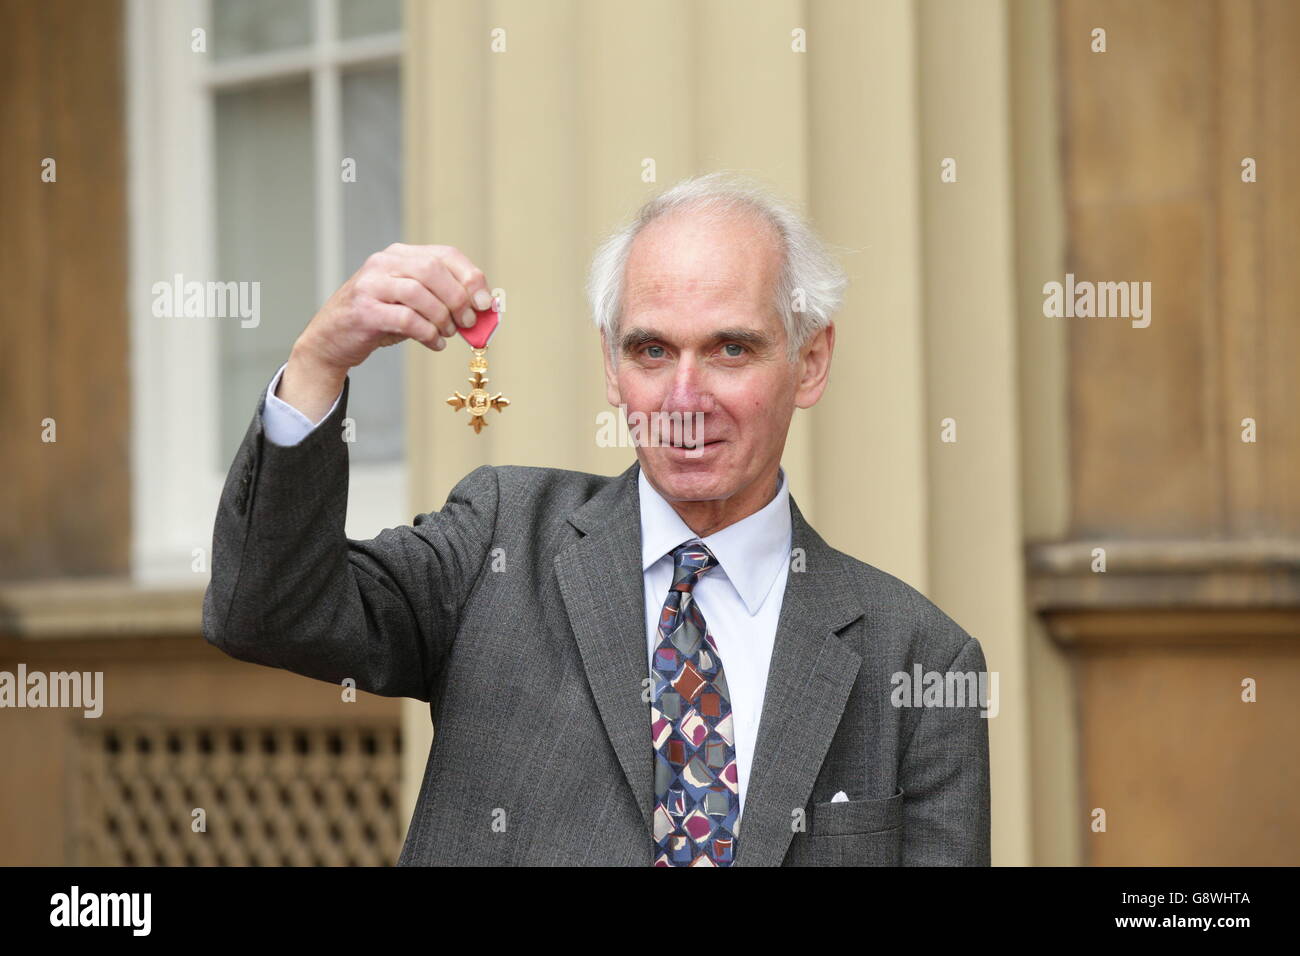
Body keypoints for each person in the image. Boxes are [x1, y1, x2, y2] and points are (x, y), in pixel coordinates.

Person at [202, 171, 990, 866]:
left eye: (730, 350)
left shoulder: (919, 662)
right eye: (651, 351)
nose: (685, 397)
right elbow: (268, 612)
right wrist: (317, 364)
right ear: (611, 368)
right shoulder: (501, 541)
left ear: (809, 362)